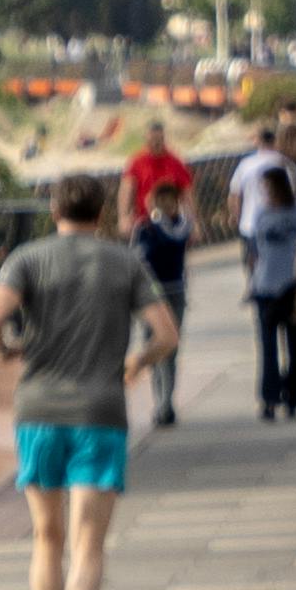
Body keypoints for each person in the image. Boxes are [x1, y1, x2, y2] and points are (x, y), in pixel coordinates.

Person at [0, 171, 175, 590]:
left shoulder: (27, 259)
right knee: (88, 539)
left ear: (54, 212)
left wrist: (3, 349)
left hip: (38, 410)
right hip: (100, 411)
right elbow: (166, 334)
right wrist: (138, 362)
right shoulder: (124, 262)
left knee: (47, 536)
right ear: (102, 213)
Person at [228, 115, 296, 422]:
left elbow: (256, 250)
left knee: (277, 345)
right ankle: (284, 397)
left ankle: (275, 397)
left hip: (277, 285)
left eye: (266, 189)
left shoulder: (265, 217)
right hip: (282, 285)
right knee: (288, 345)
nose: (263, 195)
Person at [120, 122, 198, 426]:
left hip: (158, 284)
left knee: (160, 340)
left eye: (159, 138)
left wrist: (195, 218)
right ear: (146, 138)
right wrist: (126, 218)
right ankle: (163, 402)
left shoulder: (175, 162)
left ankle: (164, 402)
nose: (156, 143)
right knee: (163, 341)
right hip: (161, 281)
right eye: (152, 138)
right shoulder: (137, 162)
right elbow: (126, 192)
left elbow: (188, 194)